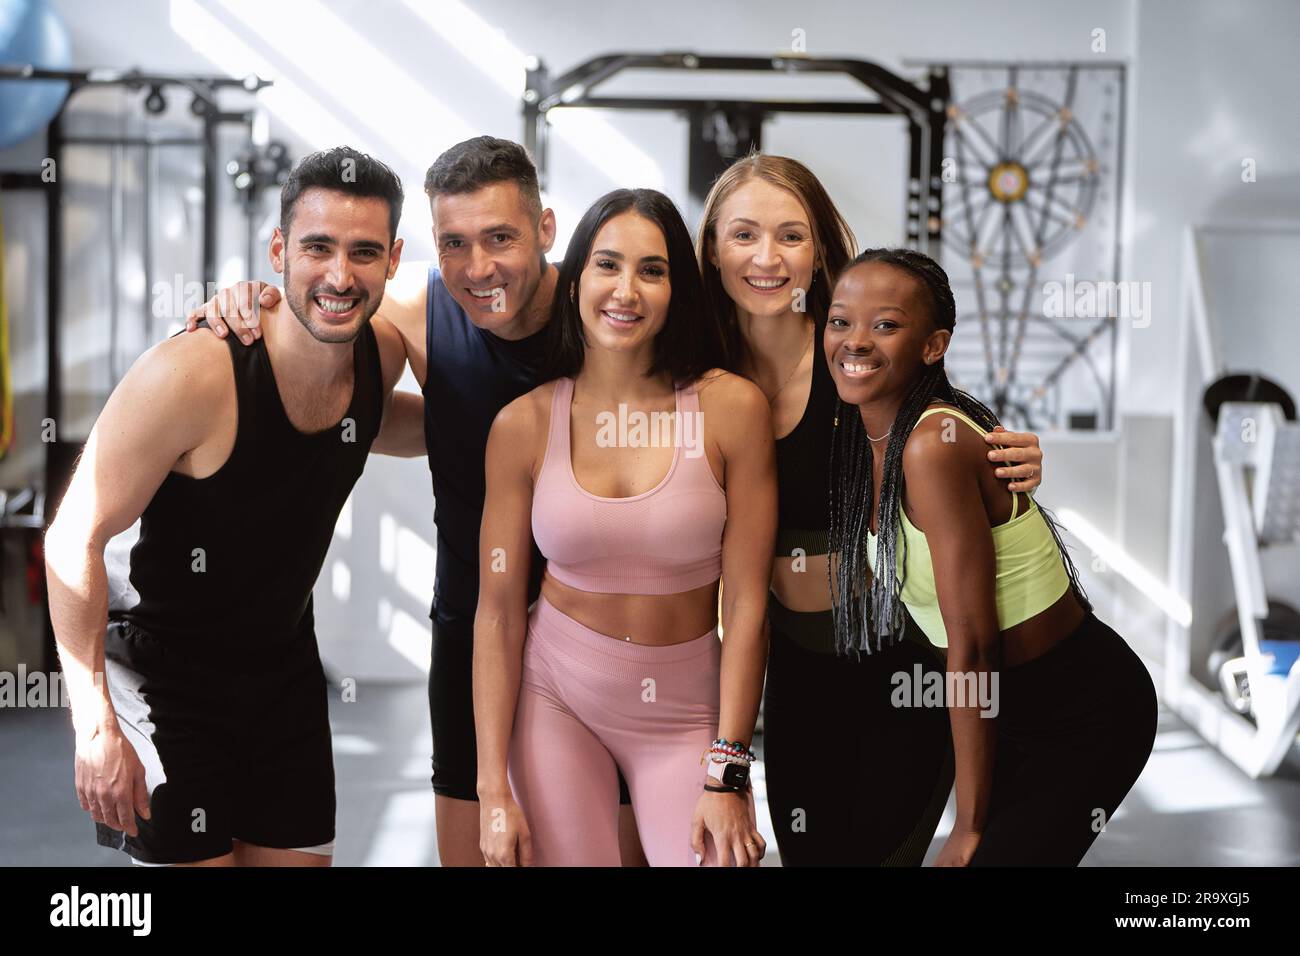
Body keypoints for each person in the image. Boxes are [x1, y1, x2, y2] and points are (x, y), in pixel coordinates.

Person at [185, 136, 647, 867]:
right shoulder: (417, 314)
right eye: (455, 243)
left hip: (610, 634)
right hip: (473, 623)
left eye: (502, 237)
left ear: (547, 230)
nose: (479, 266)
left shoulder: (611, 316)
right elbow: (325, 381)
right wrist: (246, 305)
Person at [44, 146, 412, 866]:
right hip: (161, 680)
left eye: (364, 252)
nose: (340, 275)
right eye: (317, 248)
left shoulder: (380, 358)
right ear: (278, 249)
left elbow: (406, 421)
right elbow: (70, 538)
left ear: (393, 260)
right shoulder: (192, 375)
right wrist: (93, 724)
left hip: (282, 678)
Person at [695, 153, 1046, 865]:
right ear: (710, 247)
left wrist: (1012, 456)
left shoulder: (858, 352)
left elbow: (946, 429)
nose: (768, 257)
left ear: (821, 246)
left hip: (900, 664)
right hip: (794, 670)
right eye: (744, 235)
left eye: (791, 235)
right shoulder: (696, 369)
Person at [824, 247, 1157, 865]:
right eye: (841, 321)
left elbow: (972, 644)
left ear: (933, 345)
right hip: (1008, 710)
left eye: (886, 325)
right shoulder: (862, 435)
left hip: (1083, 711)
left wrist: (969, 824)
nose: (856, 341)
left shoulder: (931, 445)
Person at [475, 188, 776, 866]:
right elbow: (496, 611)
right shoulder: (521, 426)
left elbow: (749, 605)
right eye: (608, 265)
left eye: (653, 270)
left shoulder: (732, 409)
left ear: (678, 291)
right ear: (576, 278)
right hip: (555, 698)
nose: (627, 290)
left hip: (685, 709)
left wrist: (728, 768)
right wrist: (493, 788)